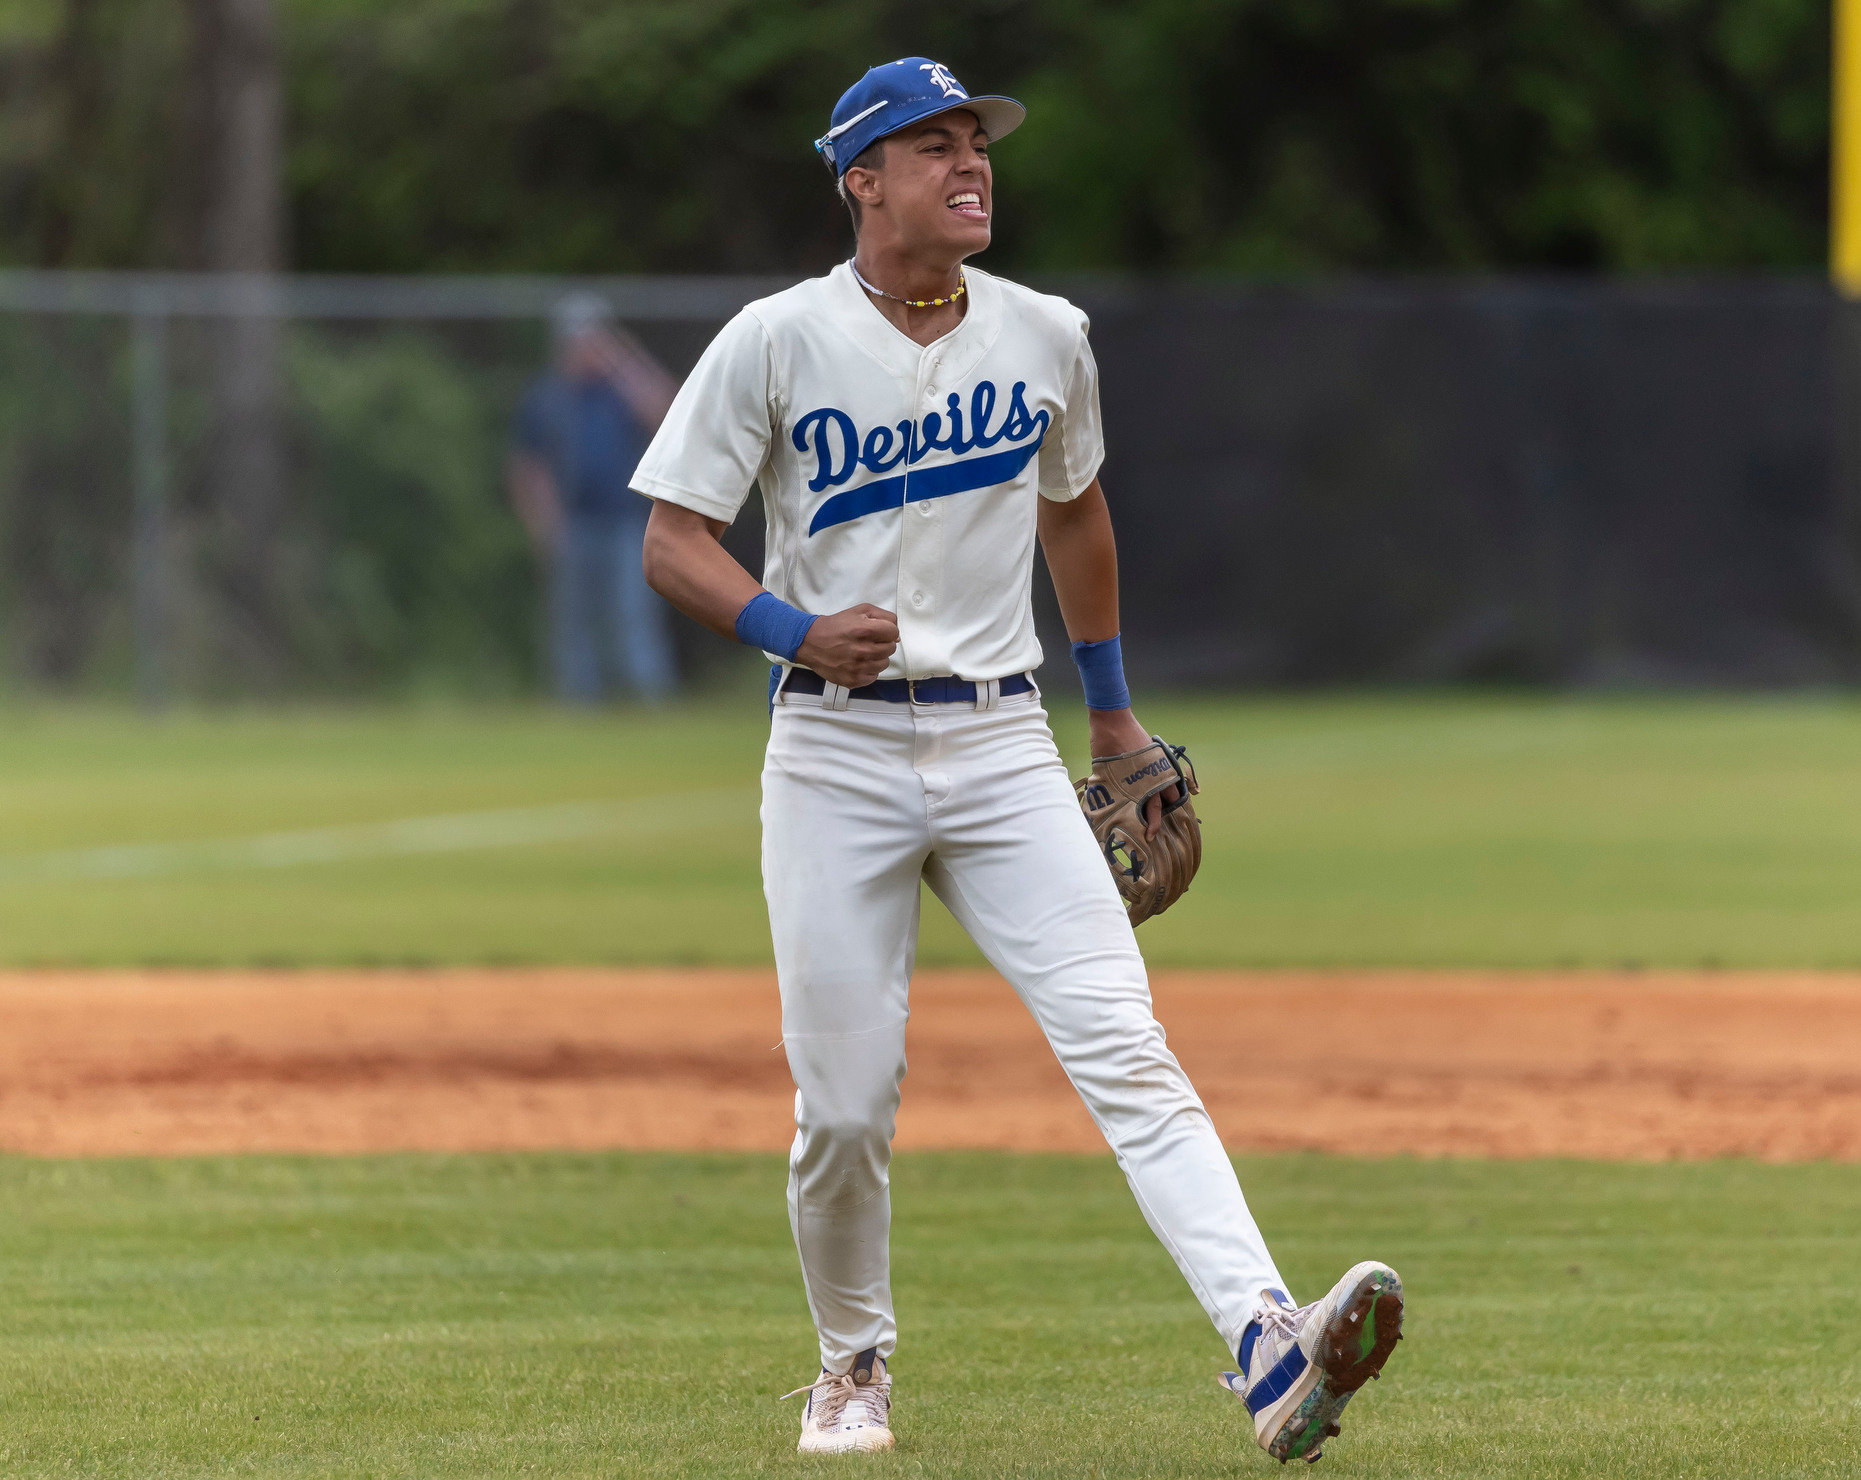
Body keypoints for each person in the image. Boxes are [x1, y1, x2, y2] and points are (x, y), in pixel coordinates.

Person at [632, 58, 1403, 1463]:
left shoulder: (1046, 335)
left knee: (1128, 1049)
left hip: (1001, 744)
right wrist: (789, 621)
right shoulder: (776, 339)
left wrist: (1109, 714)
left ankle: (1268, 1347)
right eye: (931, 148)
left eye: (975, 143)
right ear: (859, 181)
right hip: (831, 751)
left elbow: (1077, 516)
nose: (969, 164)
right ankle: (849, 1367)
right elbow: (672, 539)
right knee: (845, 1109)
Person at [509, 294, 682, 703]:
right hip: (571, 524)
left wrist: (622, 361)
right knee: (573, 623)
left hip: (625, 523)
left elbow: (668, 412)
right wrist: (542, 525)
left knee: (632, 614)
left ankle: (647, 699)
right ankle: (579, 704)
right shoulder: (547, 397)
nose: (585, 348)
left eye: (594, 339)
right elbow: (528, 468)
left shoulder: (622, 390)